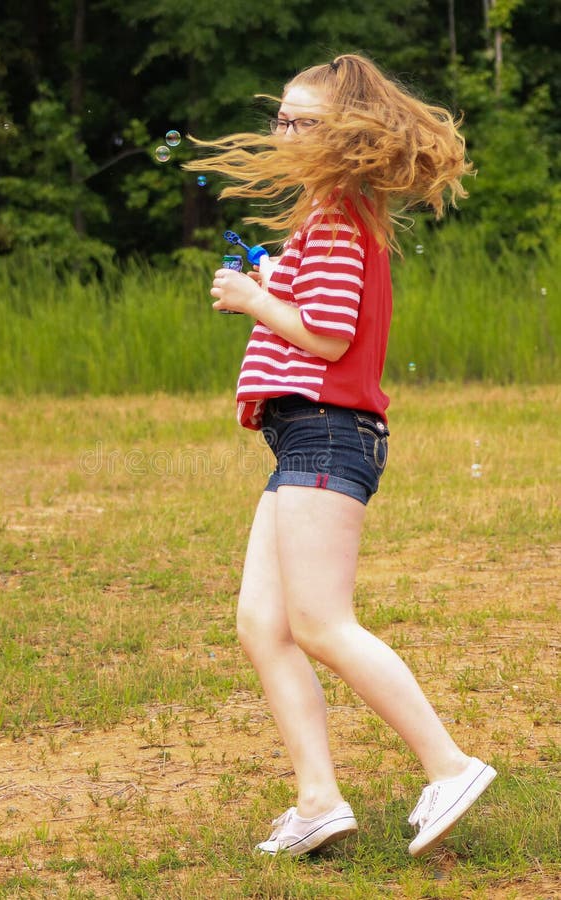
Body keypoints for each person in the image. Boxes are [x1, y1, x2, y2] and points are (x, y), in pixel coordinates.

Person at [186, 53, 496, 858]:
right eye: (279, 116)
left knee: (319, 621)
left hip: (327, 432)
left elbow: (326, 337)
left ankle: (449, 765)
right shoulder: (324, 220)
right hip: (303, 434)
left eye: (299, 119)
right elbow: (317, 312)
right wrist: (272, 277)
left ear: (344, 135)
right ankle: (318, 800)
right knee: (262, 622)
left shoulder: (334, 222)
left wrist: (255, 299)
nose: (280, 130)